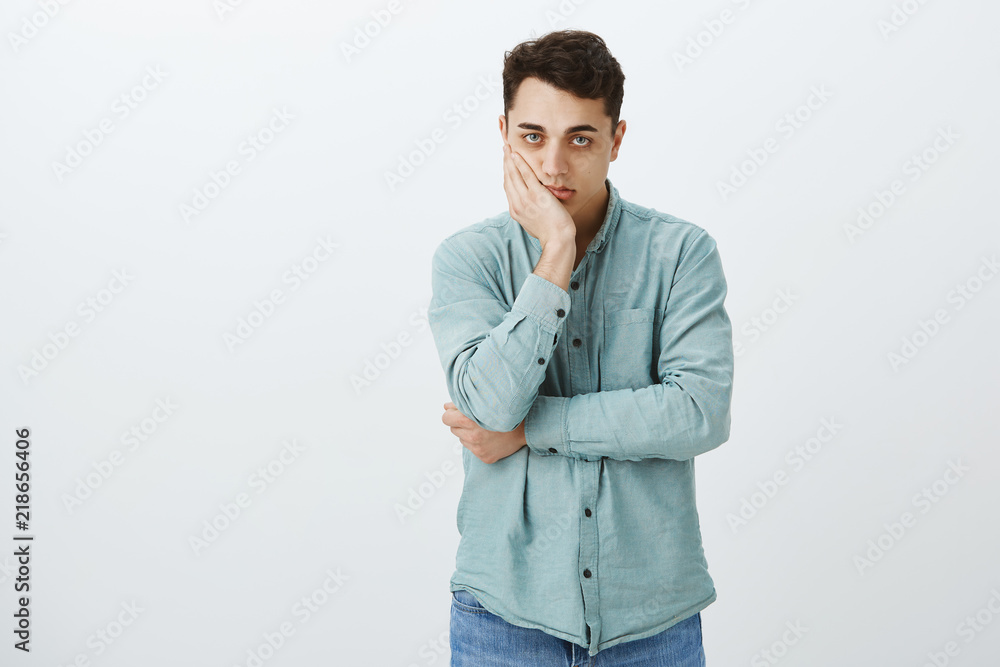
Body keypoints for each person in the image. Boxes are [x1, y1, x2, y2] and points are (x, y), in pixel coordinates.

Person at [428, 29, 734, 666]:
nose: (553, 166)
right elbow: (487, 405)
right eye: (533, 136)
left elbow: (698, 413)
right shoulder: (468, 260)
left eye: (581, 138)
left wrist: (529, 429)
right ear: (505, 132)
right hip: (504, 622)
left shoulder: (680, 255)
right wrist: (556, 255)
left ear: (616, 140)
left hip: (652, 625)